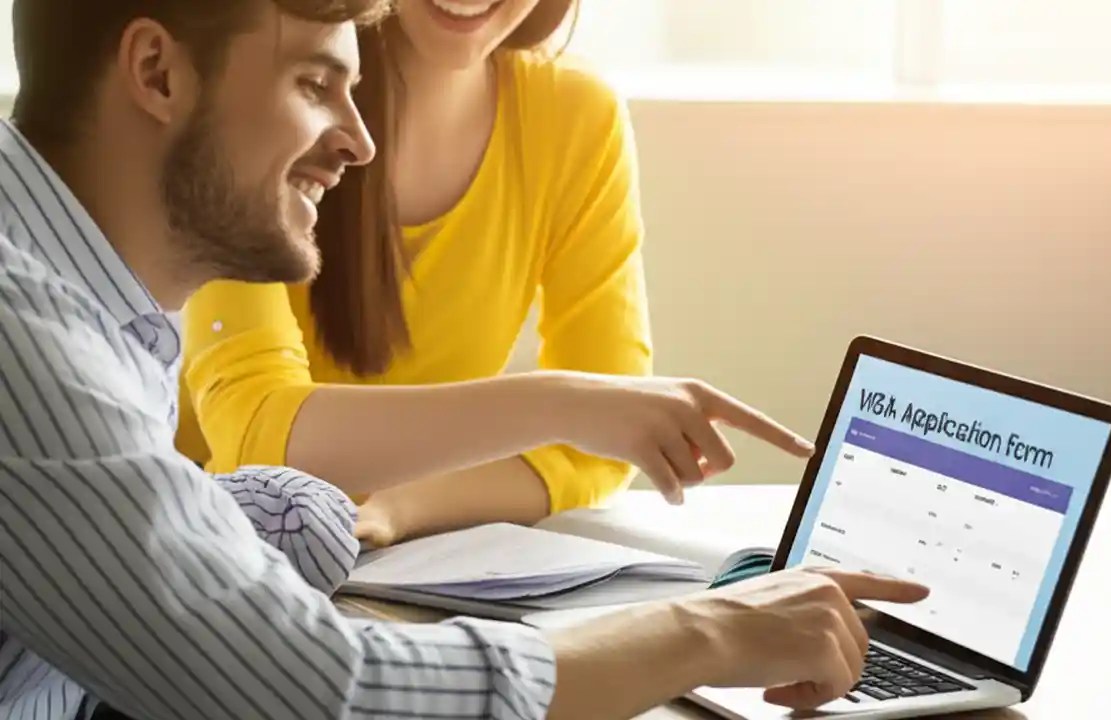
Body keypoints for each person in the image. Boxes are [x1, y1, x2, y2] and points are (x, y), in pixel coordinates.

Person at [0, 1, 933, 718]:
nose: (355, 142)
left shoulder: (90, 303)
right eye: (314, 86)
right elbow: (322, 693)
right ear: (157, 73)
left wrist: (309, 514)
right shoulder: (30, 345)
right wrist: (708, 631)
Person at [172, 0, 674, 547]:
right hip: (204, 547)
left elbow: (605, 446)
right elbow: (256, 438)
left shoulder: (575, 115)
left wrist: (404, 507)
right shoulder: (258, 96)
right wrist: (561, 405)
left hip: (392, 562)